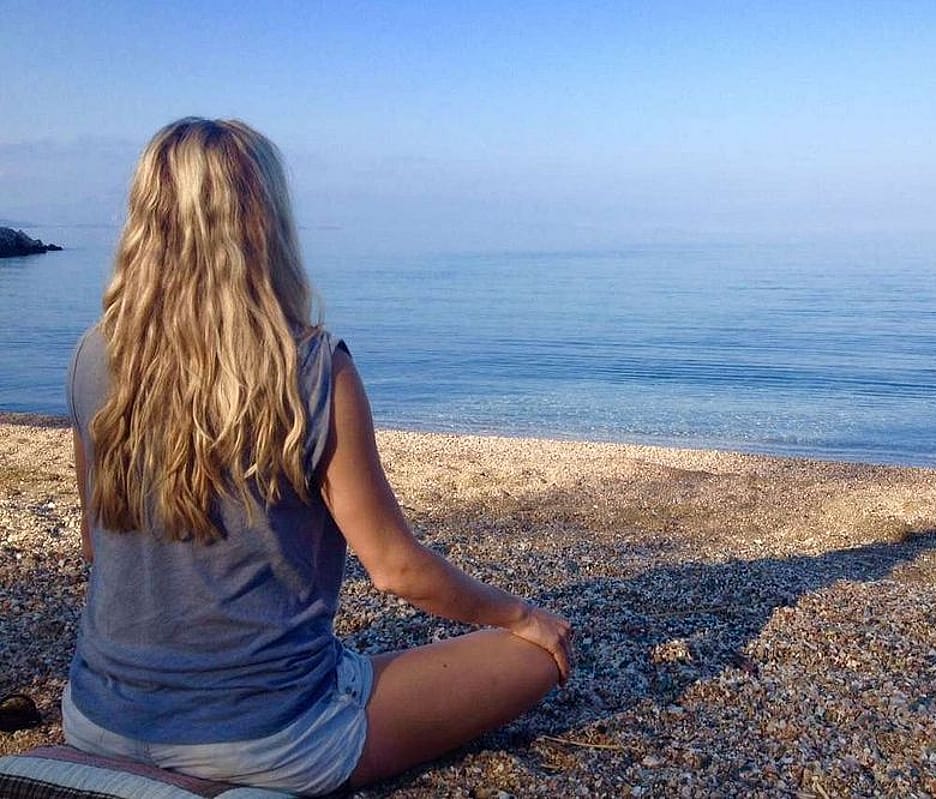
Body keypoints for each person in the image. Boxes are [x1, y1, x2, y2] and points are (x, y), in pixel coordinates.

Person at [62, 117, 573, 796]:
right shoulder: (311, 366)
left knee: (351, 663)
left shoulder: (94, 356)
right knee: (539, 654)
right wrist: (519, 614)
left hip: (96, 719)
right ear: (263, 218)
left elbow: (99, 546)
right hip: (272, 738)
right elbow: (396, 569)